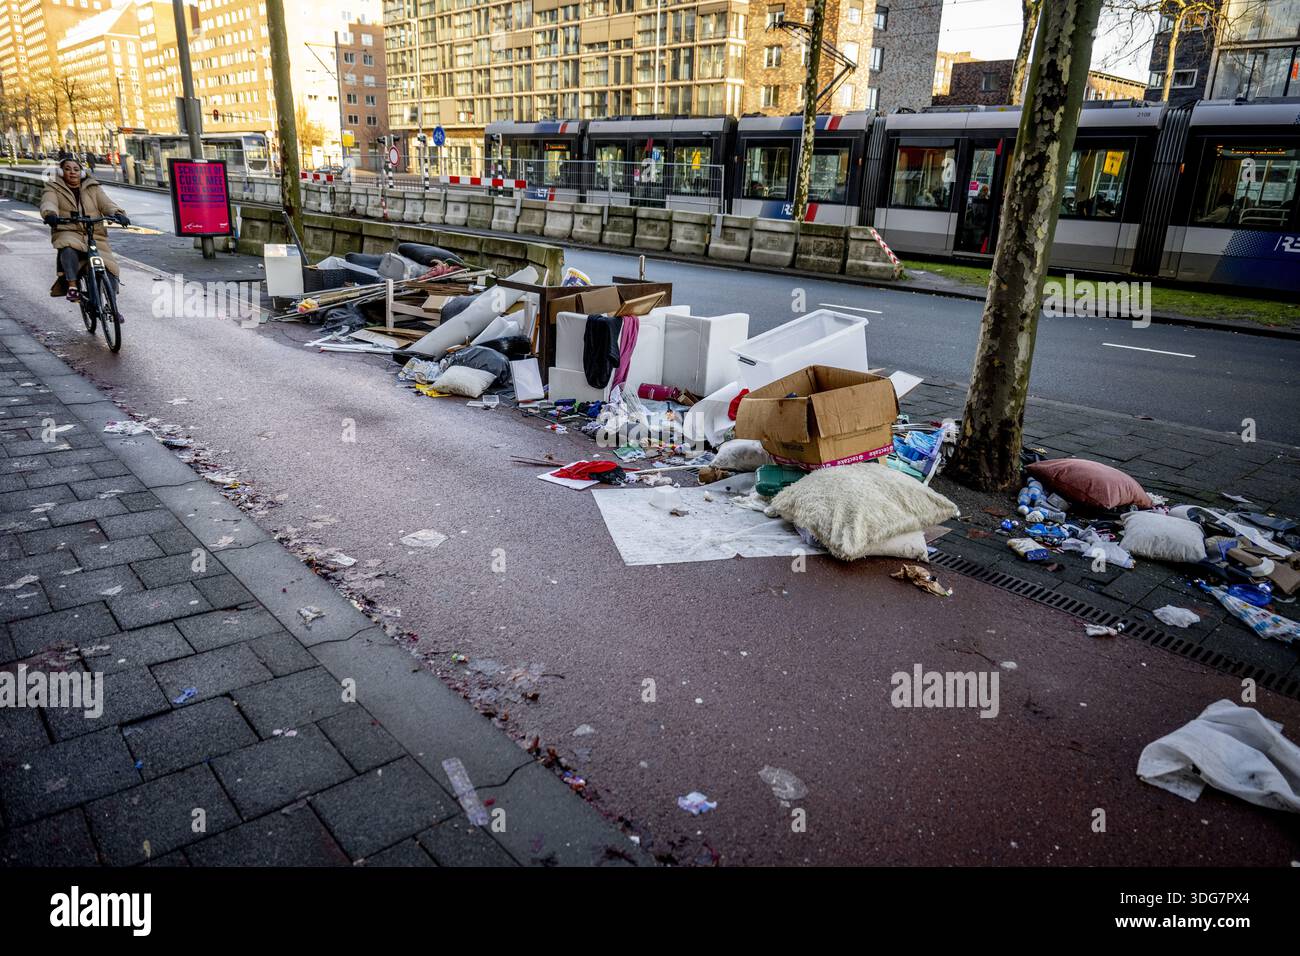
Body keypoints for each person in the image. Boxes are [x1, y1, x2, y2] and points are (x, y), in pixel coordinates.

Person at [40, 157, 129, 304]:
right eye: (68, 169)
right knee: (67, 247)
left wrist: (117, 214)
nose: (72, 172)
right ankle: (72, 286)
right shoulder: (53, 187)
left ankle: (111, 305)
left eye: (76, 169)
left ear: (81, 172)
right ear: (61, 172)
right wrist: (50, 214)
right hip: (68, 230)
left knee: (110, 268)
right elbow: (48, 202)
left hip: (94, 234)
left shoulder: (93, 187)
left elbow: (106, 203)